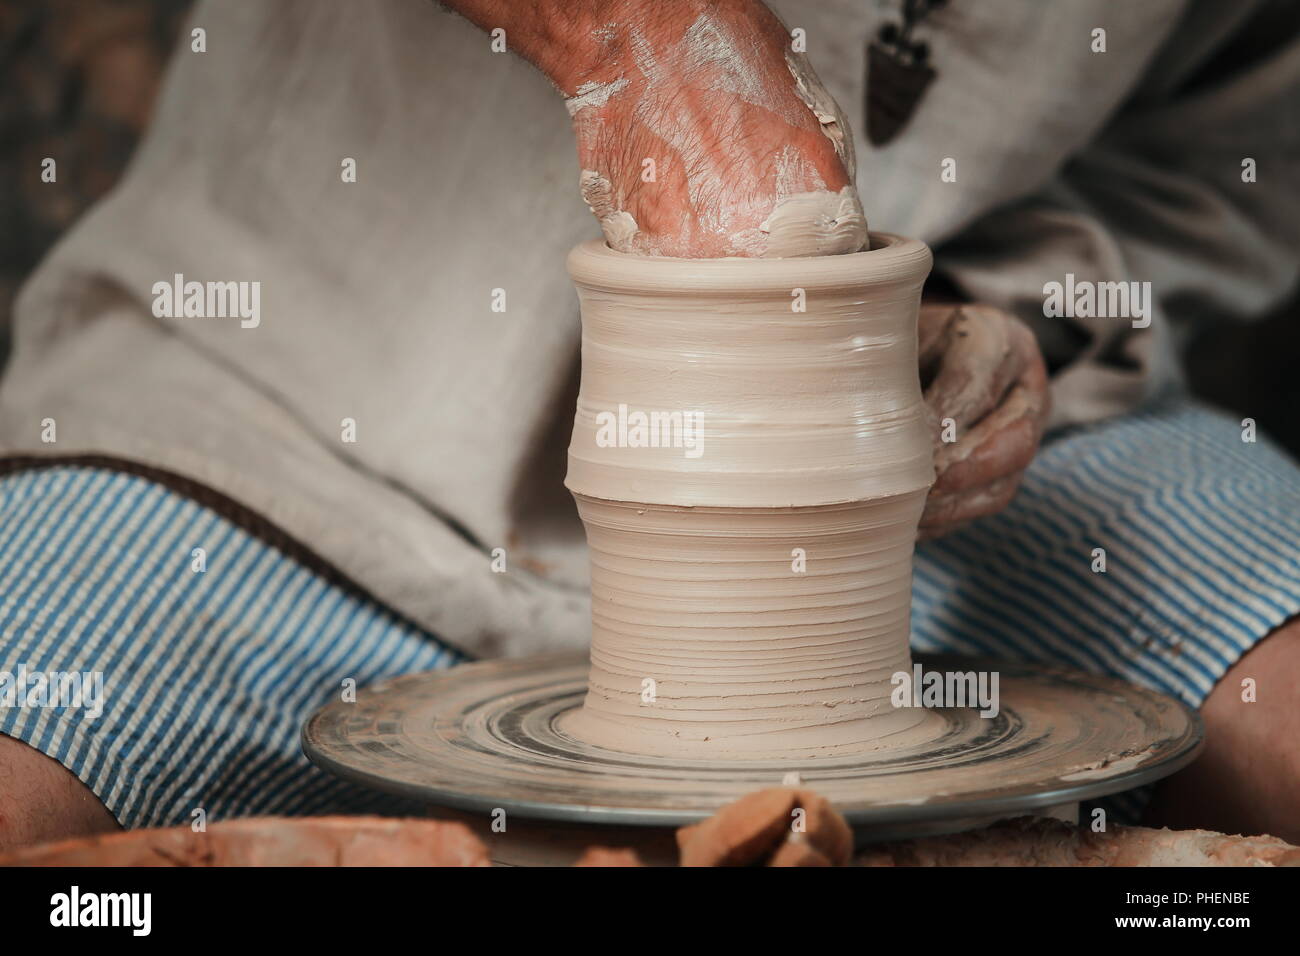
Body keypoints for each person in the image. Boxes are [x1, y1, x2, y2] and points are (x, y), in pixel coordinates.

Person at [0, 0, 1296, 852]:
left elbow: (1218, 159)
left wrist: (993, 313)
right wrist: (634, 33)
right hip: (275, 417)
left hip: (920, 489)